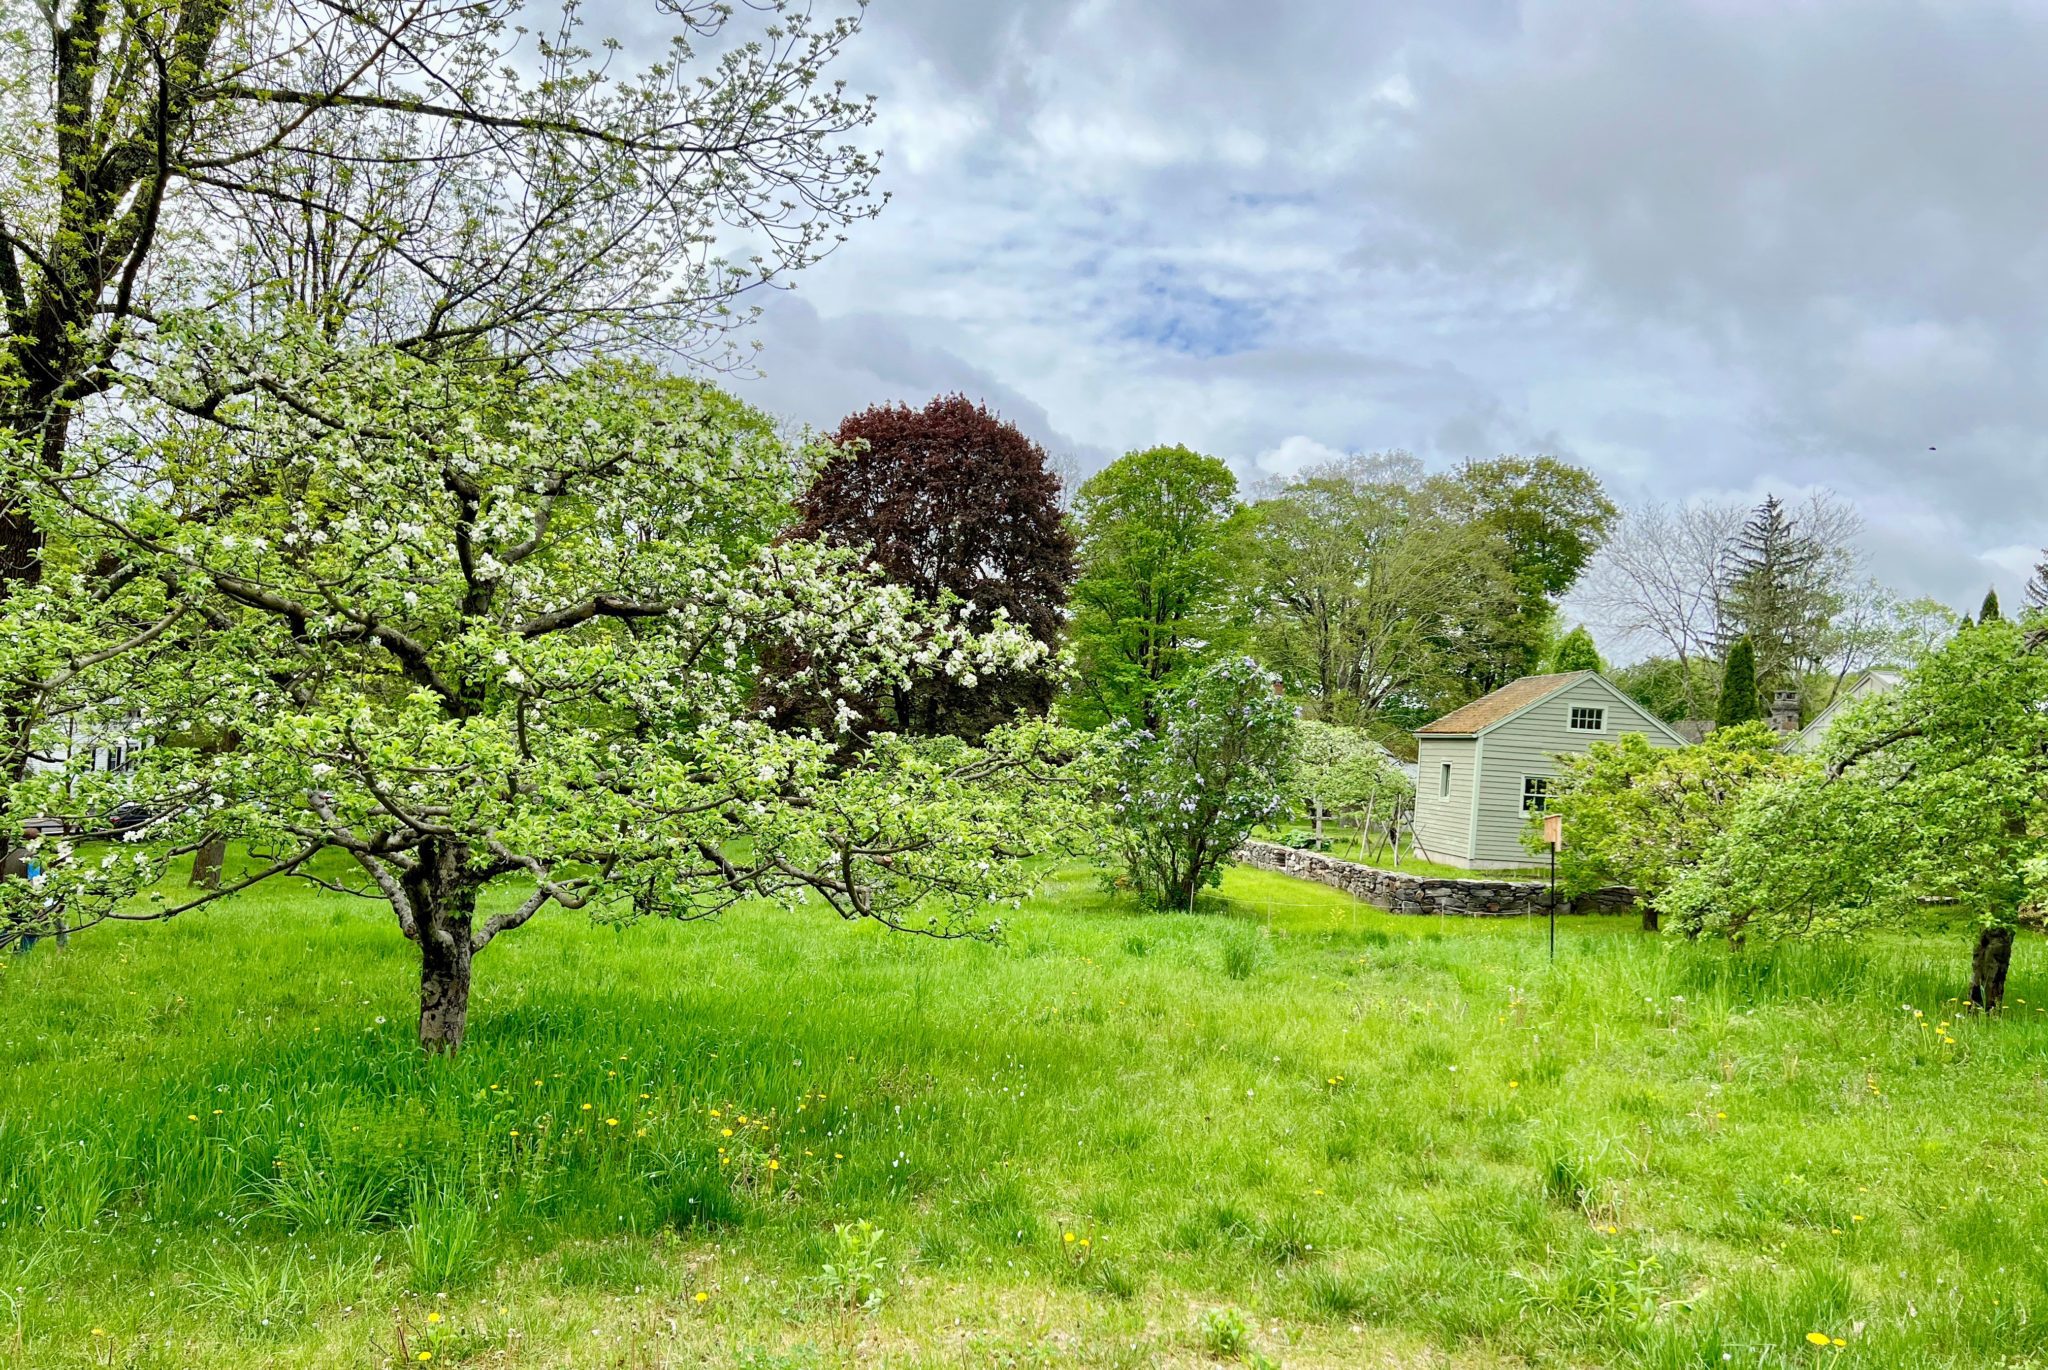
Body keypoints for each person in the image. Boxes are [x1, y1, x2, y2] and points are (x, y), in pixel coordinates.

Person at [4, 824, 62, 953]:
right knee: (33, 930)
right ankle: (22, 954)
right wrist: (39, 905)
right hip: (27, 902)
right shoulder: (32, 858)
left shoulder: (9, 855)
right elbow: (34, 882)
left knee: (11, 925)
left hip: (10, 899)